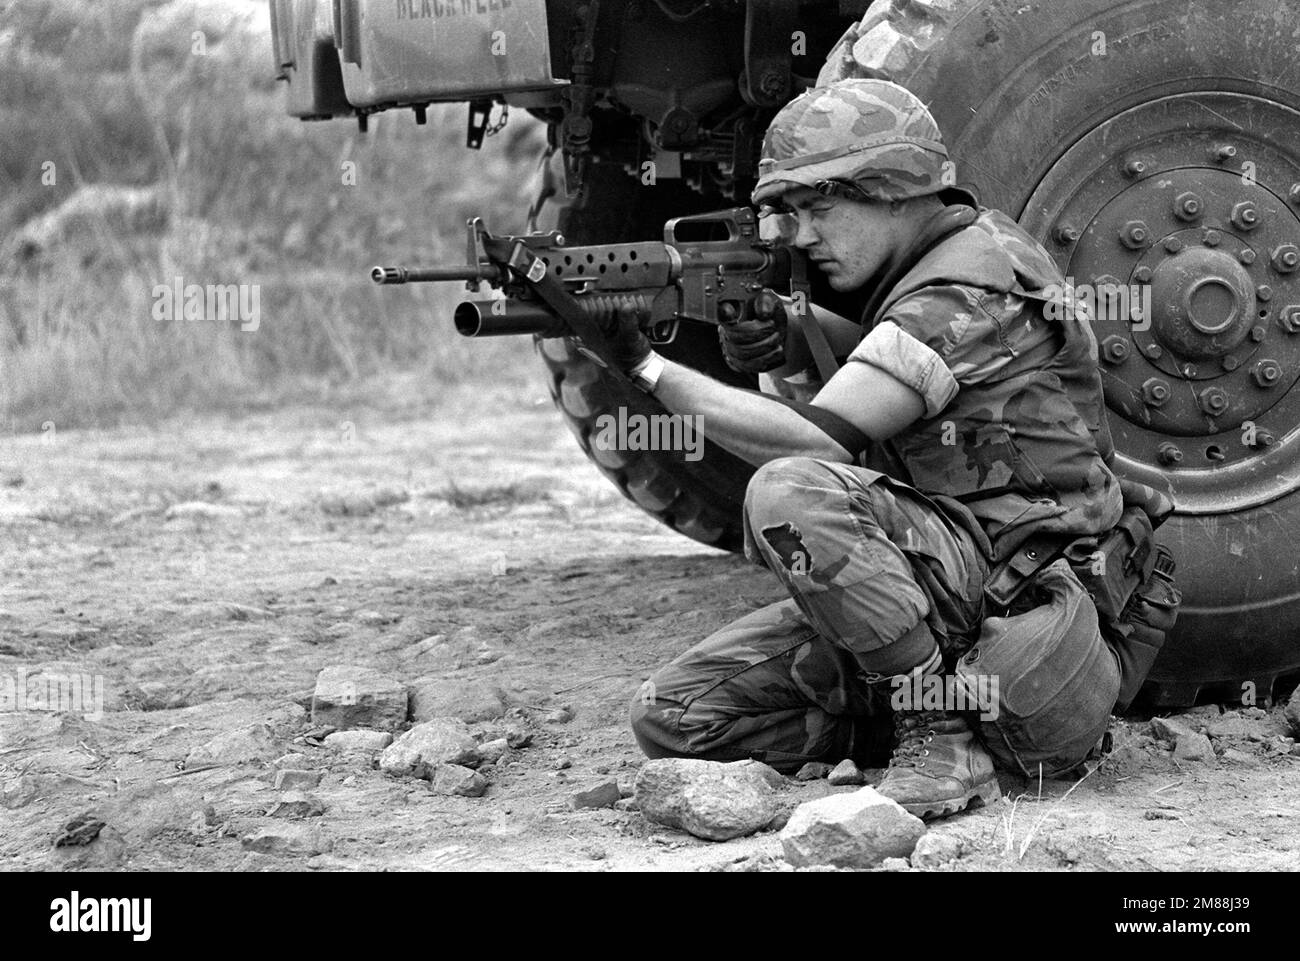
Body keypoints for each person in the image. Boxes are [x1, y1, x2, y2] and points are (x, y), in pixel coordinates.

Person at [593, 78, 1171, 821]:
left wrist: (649, 372)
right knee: (674, 716)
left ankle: (941, 738)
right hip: (946, 589)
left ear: (895, 190)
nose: (798, 234)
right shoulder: (949, 262)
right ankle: (930, 712)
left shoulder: (963, 289)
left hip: (1019, 595)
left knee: (788, 491)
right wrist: (787, 332)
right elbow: (883, 366)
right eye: (786, 215)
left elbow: (823, 439)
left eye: (818, 209)